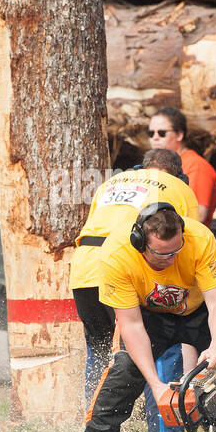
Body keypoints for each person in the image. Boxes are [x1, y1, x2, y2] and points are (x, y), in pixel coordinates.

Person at [69, 203, 216, 432]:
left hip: (199, 310)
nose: (172, 259)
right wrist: (156, 385)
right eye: (163, 254)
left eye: (177, 250)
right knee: (122, 375)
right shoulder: (116, 255)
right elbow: (131, 325)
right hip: (149, 318)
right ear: (141, 243)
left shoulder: (199, 239)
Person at [70, 148, 199, 402]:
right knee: (160, 347)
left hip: (85, 268)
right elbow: (188, 239)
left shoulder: (111, 183)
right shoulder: (177, 187)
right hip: (124, 264)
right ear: (176, 173)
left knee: (99, 351)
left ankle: (94, 427)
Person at [147, 106, 216, 224]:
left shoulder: (196, 166)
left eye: (162, 133)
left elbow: (198, 215)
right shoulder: (152, 166)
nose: (155, 138)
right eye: (151, 133)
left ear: (179, 135)